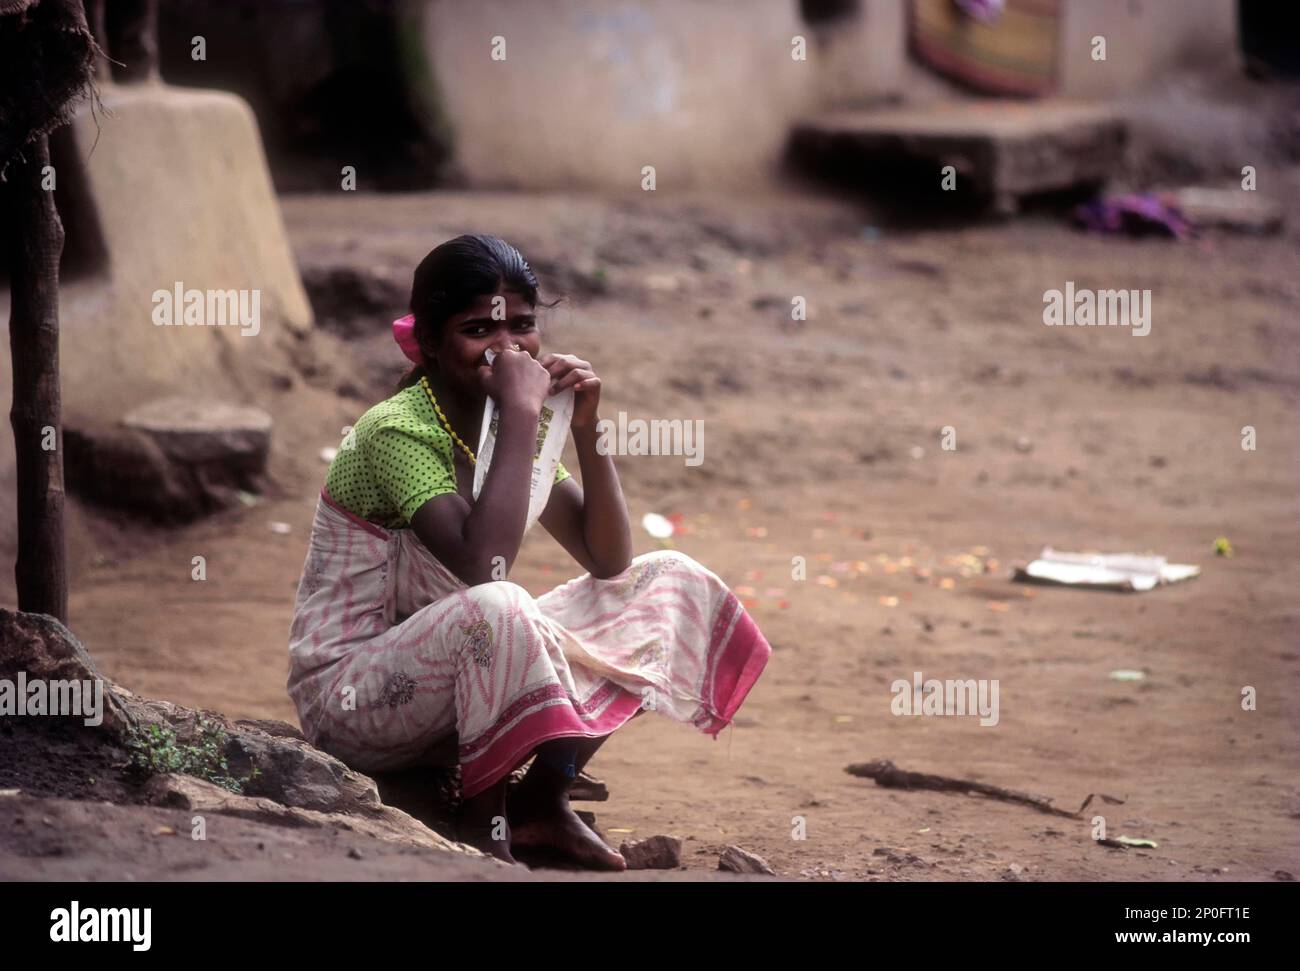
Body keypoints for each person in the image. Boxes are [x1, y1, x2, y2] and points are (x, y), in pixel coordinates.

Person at [286, 234, 771, 869]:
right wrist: (522, 411)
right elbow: (482, 564)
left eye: (522, 326)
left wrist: (587, 427)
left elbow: (609, 560)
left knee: (665, 578)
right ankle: (480, 821)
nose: (507, 347)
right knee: (501, 604)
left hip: (456, 681)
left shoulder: (510, 419)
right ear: (429, 342)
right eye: (477, 329)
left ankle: (541, 802)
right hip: (354, 697)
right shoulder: (395, 430)